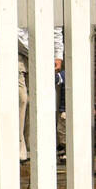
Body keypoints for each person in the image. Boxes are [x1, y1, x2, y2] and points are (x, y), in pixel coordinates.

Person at [17, 25, 64, 162]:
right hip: (18, 50)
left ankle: (34, 145)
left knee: (38, 99)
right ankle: (20, 146)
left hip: (41, 53)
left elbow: (56, 26)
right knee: (21, 99)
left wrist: (57, 54)